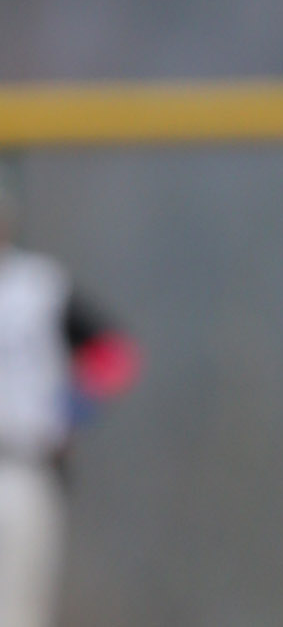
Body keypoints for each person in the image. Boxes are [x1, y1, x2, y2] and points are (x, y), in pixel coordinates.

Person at [0, 187, 138, 627]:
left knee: (17, 610)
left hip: (22, 464)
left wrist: (71, 413)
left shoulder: (38, 287)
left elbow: (114, 355)